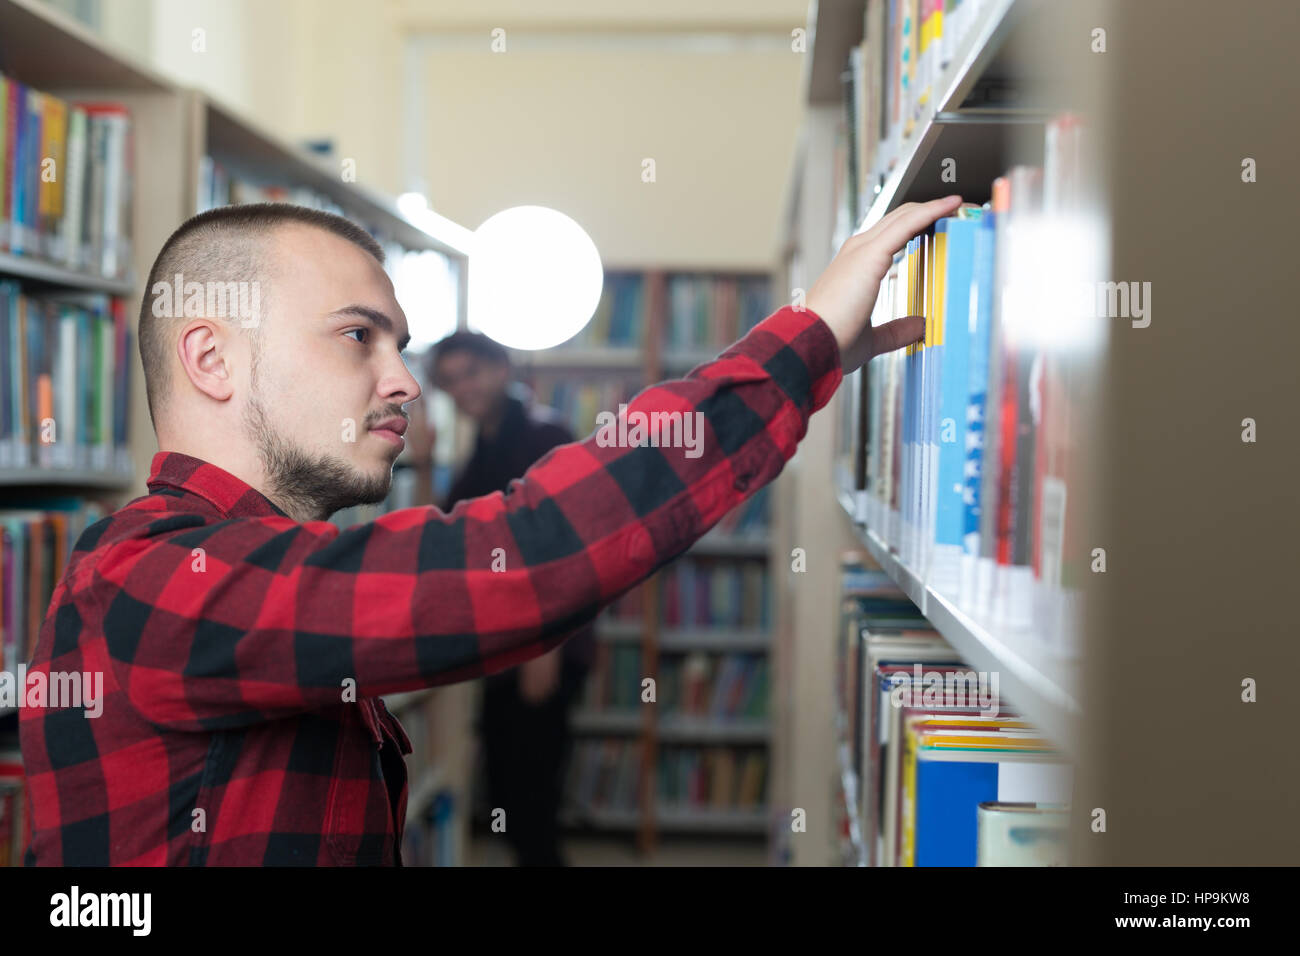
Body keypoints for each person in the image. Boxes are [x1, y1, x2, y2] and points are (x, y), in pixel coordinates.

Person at [18, 196, 962, 865]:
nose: (405, 382)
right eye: (358, 337)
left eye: (403, 346)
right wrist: (799, 342)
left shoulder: (241, 568)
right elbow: (526, 552)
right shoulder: (143, 578)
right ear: (212, 358)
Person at [408, 331, 595, 866]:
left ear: (501, 367)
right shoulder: (482, 448)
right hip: (502, 645)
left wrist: (547, 649)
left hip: (543, 644)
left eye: (472, 373)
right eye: (450, 382)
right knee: (511, 795)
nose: (463, 389)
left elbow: (562, 548)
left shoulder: (543, 435)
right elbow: (437, 537)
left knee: (533, 800)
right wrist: (422, 464)